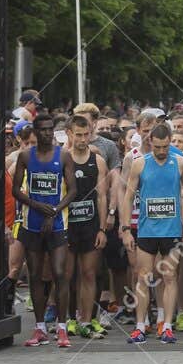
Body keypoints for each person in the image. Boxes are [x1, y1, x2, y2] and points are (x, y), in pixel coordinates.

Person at [121, 122, 183, 344]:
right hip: (147, 229)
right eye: (157, 147)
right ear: (150, 142)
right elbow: (128, 197)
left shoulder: (180, 162)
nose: (161, 151)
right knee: (144, 276)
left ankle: (167, 326)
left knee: (170, 276)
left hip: (171, 228)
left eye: (165, 147)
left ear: (170, 142)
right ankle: (140, 326)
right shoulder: (140, 164)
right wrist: (126, 229)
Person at [12, 113, 71, 348]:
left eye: (50, 129)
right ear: (35, 132)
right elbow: (16, 190)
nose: (47, 133)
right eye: (43, 129)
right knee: (35, 275)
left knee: (59, 273)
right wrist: (36, 205)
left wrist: (54, 210)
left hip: (57, 222)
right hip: (32, 221)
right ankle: (40, 328)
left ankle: (62, 327)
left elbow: (73, 190)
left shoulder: (63, 156)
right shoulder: (26, 156)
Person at [62, 112, 110, 339]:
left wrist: (102, 228)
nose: (82, 139)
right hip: (67, 226)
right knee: (68, 275)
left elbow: (102, 196)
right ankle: (68, 319)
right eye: (78, 135)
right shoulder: (62, 160)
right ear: (69, 134)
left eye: (86, 134)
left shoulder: (97, 161)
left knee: (89, 273)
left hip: (90, 226)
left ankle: (86, 320)